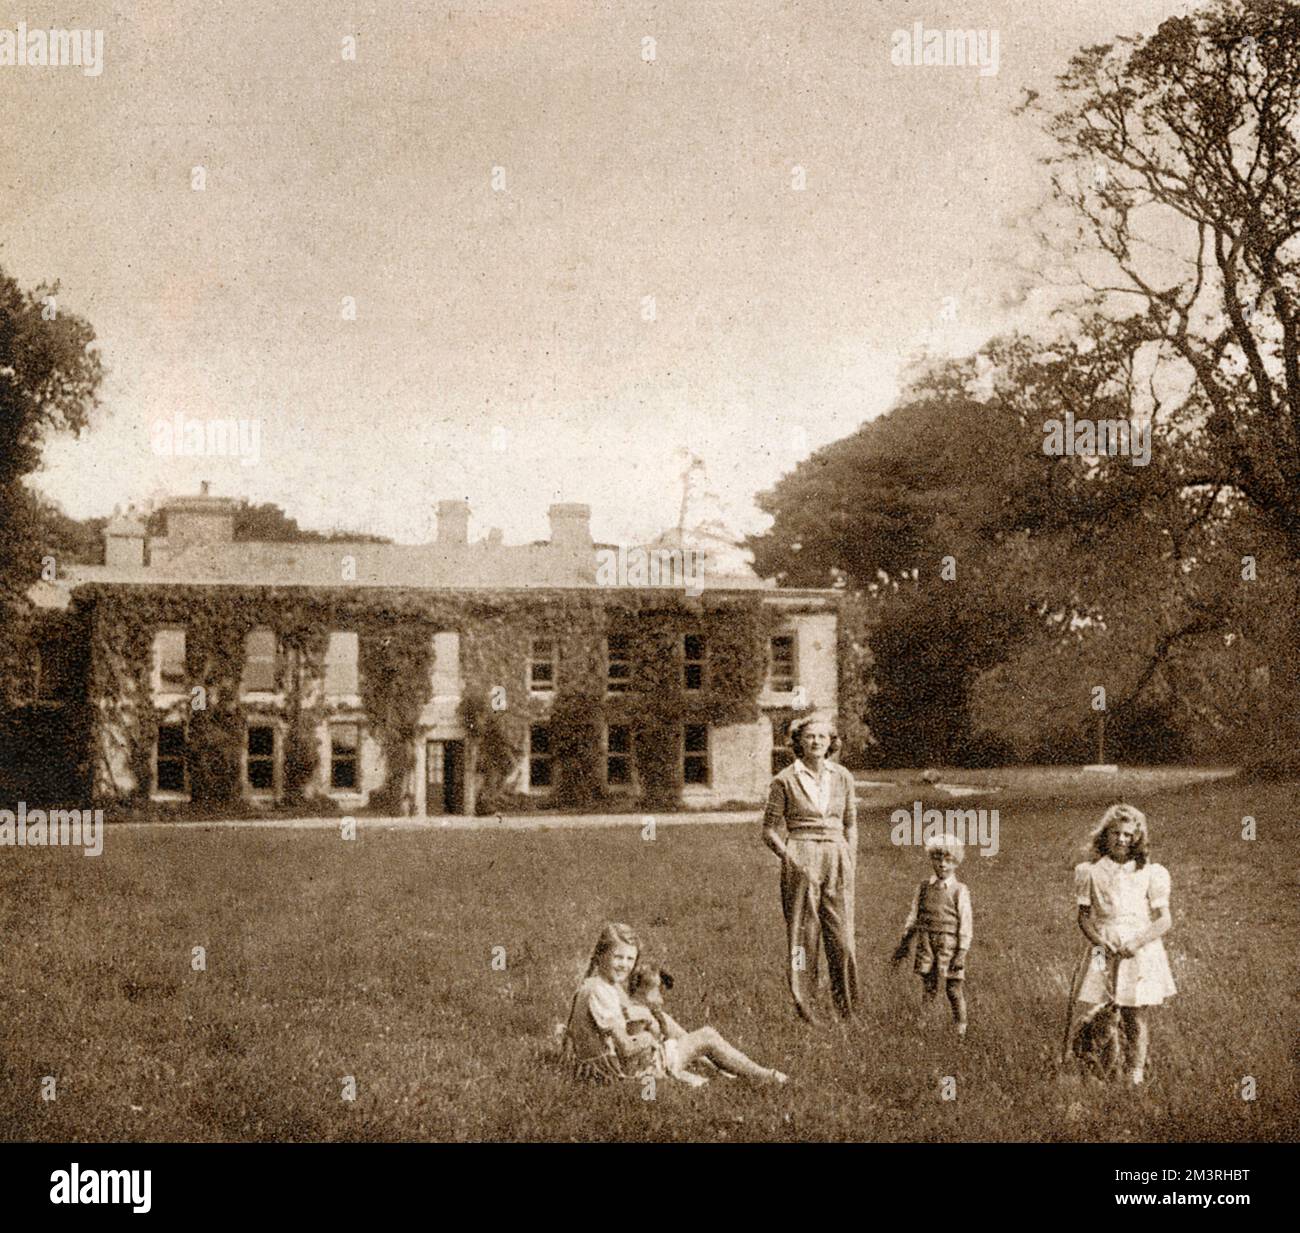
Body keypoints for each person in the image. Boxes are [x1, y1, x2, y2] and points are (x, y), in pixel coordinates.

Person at [561, 923, 786, 1085]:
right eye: (618, 957)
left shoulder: (595, 983)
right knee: (707, 1035)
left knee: (661, 1020)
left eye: (630, 959)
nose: (624, 965)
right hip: (625, 1072)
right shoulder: (601, 992)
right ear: (601, 955)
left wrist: (648, 1020)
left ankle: (713, 1064)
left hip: (606, 1066)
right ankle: (764, 1076)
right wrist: (651, 1039)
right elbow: (627, 1049)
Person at [1065, 803, 1176, 1085]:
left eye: (1128, 834)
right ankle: (1103, 1066)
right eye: (1116, 833)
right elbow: (1084, 918)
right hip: (1103, 946)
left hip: (1139, 948)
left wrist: (1137, 942)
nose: (1122, 839)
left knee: (1134, 1012)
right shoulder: (1090, 871)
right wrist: (1099, 941)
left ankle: (1135, 1072)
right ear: (1105, 835)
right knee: (1104, 1009)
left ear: (1137, 837)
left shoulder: (1149, 872)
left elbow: (1164, 920)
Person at [762, 715, 858, 1022]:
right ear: (798, 742)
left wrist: (850, 859)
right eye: (809, 736)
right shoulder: (784, 780)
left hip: (836, 857)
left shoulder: (842, 776)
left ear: (831, 742)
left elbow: (850, 823)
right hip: (801, 857)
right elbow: (769, 830)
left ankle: (847, 1010)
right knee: (804, 938)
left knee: (843, 940)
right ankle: (807, 1010)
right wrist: (790, 858)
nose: (816, 741)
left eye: (822, 736)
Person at [625, 960, 786, 1086]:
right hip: (654, 1068)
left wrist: (716, 1068)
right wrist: (677, 1075)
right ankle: (762, 1075)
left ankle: (731, 1070)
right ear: (640, 990)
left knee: (701, 1038)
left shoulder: (652, 1013)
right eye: (657, 991)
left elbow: (685, 1039)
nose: (661, 999)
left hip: (662, 1059)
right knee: (707, 1035)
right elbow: (637, 1062)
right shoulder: (636, 1014)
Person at [892, 834, 972, 1037]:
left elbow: (966, 924)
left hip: (949, 945)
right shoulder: (923, 887)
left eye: (949, 860)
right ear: (931, 859)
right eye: (938, 858)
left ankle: (961, 1029)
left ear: (956, 862)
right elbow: (914, 916)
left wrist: (961, 952)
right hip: (926, 941)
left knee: (953, 989)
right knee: (929, 986)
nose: (942, 864)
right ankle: (923, 1026)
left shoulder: (959, 890)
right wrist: (905, 940)